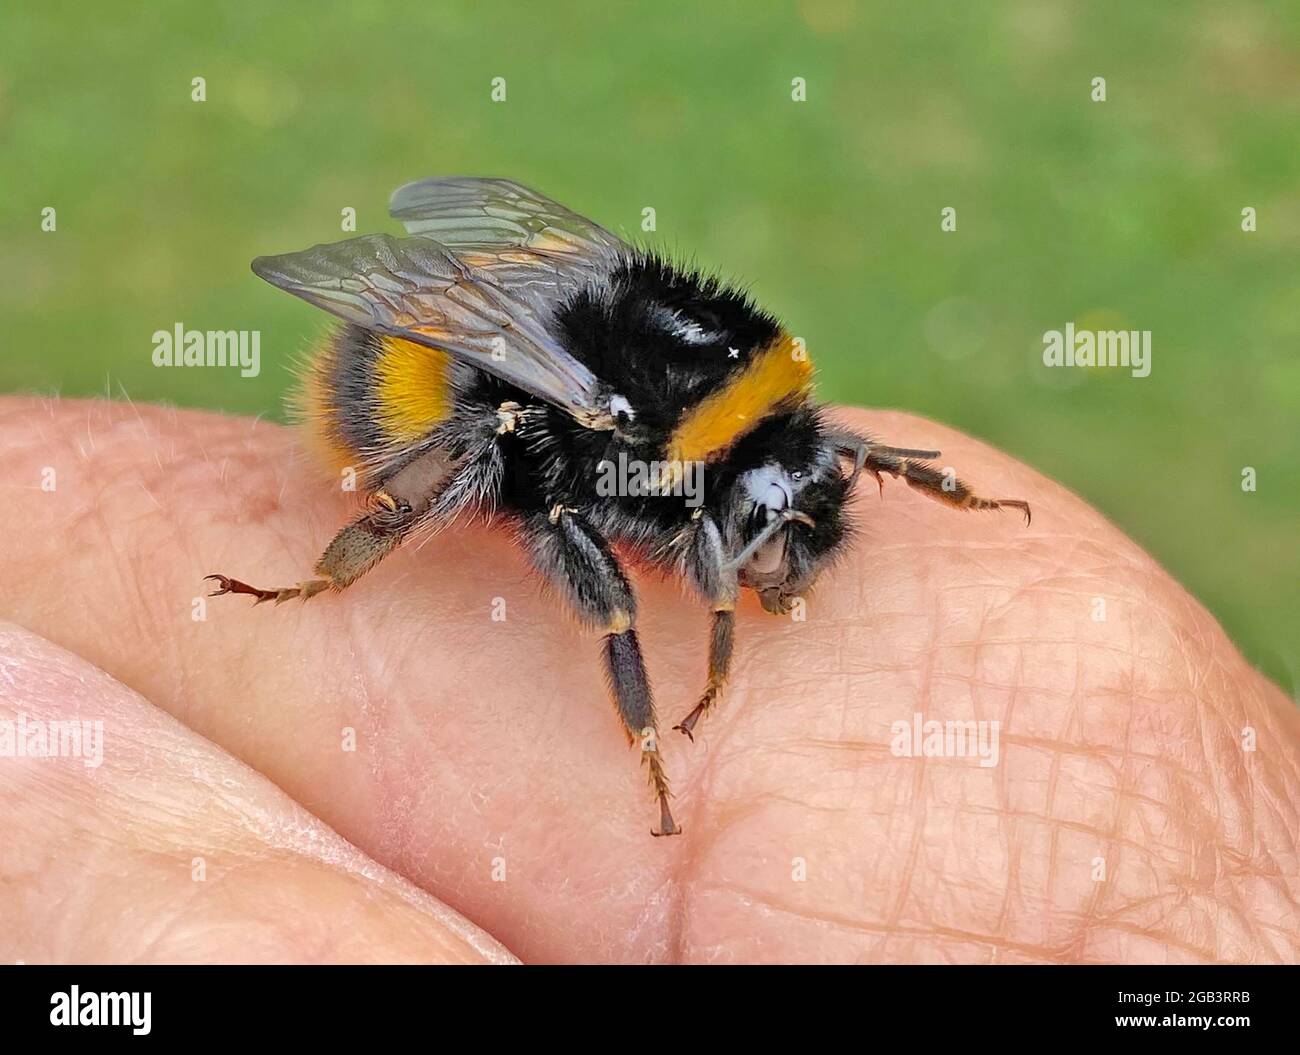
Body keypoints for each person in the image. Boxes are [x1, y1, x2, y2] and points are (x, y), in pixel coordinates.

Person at [0, 397, 1294, 964]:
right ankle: (332, 581)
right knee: (511, 488)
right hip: (436, 392)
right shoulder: (611, 459)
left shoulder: (745, 415)